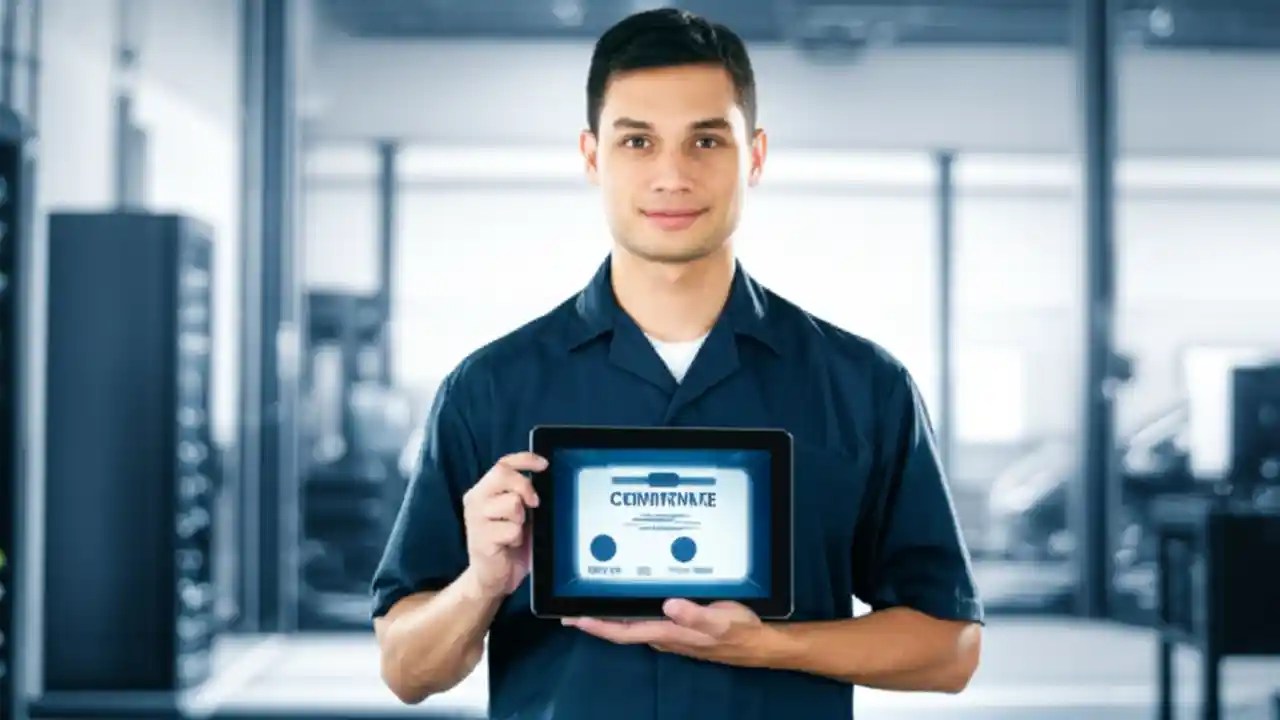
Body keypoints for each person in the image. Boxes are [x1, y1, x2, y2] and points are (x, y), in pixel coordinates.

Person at [371, 8, 983, 719]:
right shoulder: (489, 388)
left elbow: (950, 649)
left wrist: (769, 646)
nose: (672, 174)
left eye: (706, 139)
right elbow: (406, 671)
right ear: (592, 155)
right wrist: (480, 584)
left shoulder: (864, 387)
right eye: (637, 140)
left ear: (753, 155)